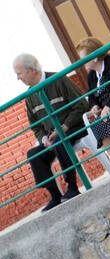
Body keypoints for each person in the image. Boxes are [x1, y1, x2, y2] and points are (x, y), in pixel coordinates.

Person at [12, 52, 87, 210]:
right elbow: (35, 125)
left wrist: (64, 127)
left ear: (31, 70)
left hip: (74, 127)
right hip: (52, 137)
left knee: (61, 140)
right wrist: (44, 138)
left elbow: (81, 105)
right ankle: (55, 195)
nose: (18, 78)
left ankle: (72, 186)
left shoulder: (58, 79)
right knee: (34, 154)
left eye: (19, 73)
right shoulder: (30, 95)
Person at [76, 37, 110, 173]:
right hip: (105, 109)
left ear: (94, 55)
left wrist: (108, 107)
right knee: (97, 125)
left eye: (84, 58)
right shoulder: (91, 75)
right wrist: (94, 106)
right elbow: (92, 95)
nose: (82, 62)